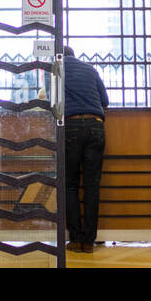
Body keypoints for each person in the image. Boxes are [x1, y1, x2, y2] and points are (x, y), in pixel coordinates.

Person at [62, 44, 108, 253]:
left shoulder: (56, 70)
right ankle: (89, 242)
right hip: (96, 126)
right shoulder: (90, 69)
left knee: (70, 184)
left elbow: (51, 103)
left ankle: (75, 239)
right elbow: (105, 101)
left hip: (70, 127)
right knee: (92, 186)